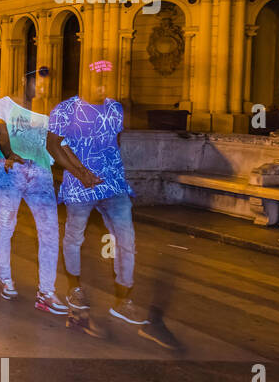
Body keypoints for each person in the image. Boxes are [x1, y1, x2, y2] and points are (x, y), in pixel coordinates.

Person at [48, 59, 181, 348]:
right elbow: (53, 145)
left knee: (127, 239)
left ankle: (123, 299)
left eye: (107, 79)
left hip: (113, 185)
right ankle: (75, 289)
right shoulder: (65, 110)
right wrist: (82, 173)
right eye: (98, 79)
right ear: (84, 80)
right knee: (75, 237)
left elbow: (113, 141)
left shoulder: (115, 108)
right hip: (79, 185)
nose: (103, 85)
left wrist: (111, 172)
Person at [0, 67, 102, 314]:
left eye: (44, 85)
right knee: (6, 226)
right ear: (24, 80)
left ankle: (46, 293)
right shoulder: (3, 105)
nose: (41, 88)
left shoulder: (50, 113)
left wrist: (83, 173)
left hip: (40, 176)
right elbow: (2, 135)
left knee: (50, 233)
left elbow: (58, 146)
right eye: (37, 82)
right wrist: (9, 154)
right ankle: (5, 278)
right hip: (10, 173)